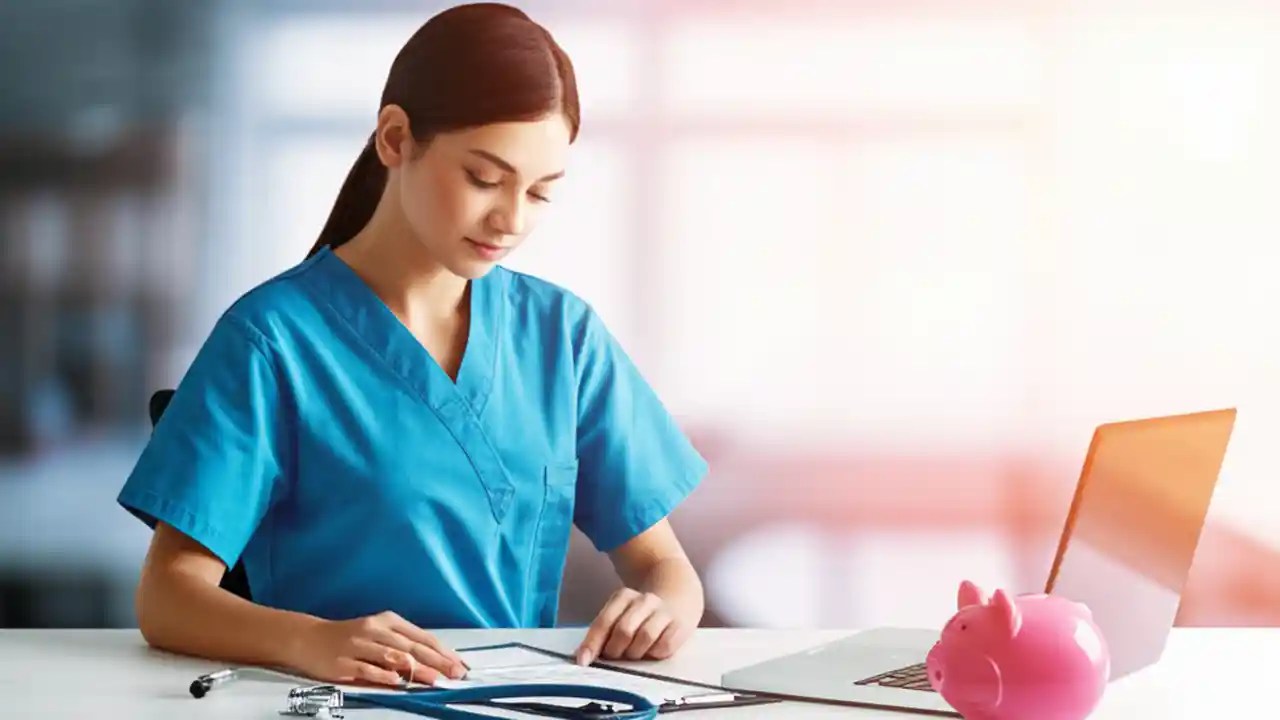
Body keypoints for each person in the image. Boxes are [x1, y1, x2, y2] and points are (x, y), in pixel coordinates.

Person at [117, 2, 707, 688]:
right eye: (484, 179)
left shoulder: (563, 336)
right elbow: (167, 596)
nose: (511, 219)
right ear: (395, 139)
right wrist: (311, 642)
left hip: (517, 700)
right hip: (336, 700)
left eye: (540, 193)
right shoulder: (271, 342)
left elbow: (665, 568)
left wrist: (662, 608)